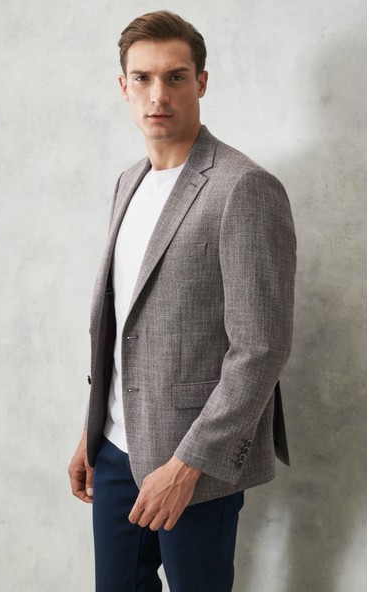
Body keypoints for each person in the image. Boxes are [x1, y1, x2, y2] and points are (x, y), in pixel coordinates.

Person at [68, 10, 296, 592]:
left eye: (175, 76)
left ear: (202, 82)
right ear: (124, 86)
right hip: (115, 450)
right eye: (142, 78)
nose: (158, 95)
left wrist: (188, 464)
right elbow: (125, 324)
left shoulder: (243, 187)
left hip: (194, 463)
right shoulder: (128, 182)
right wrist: (94, 428)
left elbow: (261, 348)